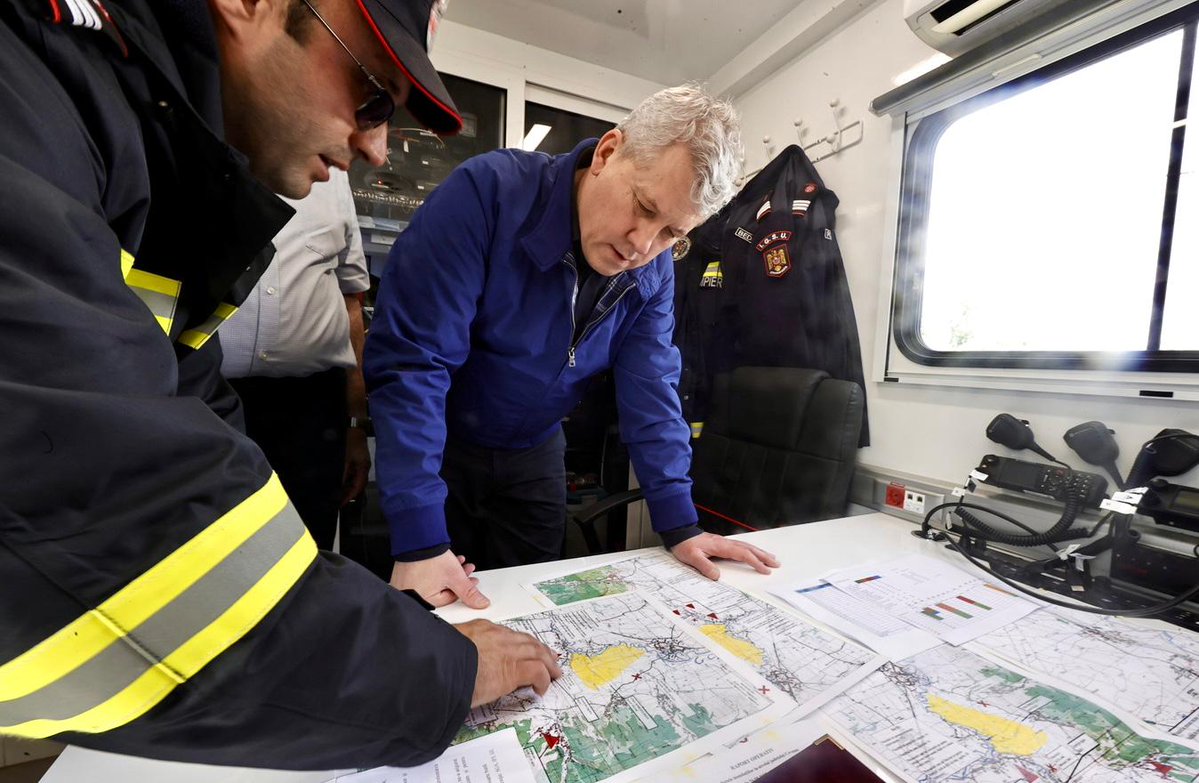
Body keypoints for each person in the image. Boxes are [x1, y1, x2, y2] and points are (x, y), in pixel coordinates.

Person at [0, 0, 559, 770]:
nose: (375, 148)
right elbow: (109, 522)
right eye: (368, 94)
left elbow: (185, 401)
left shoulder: (146, 154)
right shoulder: (31, 93)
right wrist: (437, 671)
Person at [366, 84, 781, 610]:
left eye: (672, 233)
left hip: (536, 452)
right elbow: (414, 364)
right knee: (428, 607)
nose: (640, 244)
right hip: (438, 446)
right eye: (643, 206)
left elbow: (652, 390)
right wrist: (420, 536)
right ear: (608, 153)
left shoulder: (652, 270)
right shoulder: (488, 194)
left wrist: (681, 525)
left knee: (534, 605)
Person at [221, 167, 372, 550]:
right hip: (209, 398)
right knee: (212, 543)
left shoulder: (334, 178)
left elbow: (351, 300)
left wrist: (355, 424)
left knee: (307, 545)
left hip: (311, 410)